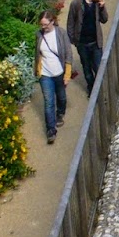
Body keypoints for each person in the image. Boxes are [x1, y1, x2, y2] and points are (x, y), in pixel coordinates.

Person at [36, 10, 74, 144]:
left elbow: (68, 54)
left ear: (52, 21)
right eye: (41, 25)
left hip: (59, 73)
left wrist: (67, 74)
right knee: (48, 101)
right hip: (45, 74)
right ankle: (51, 129)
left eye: (45, 24)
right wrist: (38, 70)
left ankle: (60, 113)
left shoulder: (61, 33)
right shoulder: (39, 35)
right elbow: (38, 54)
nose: (43, 27)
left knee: (61, 97)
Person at [67, 0, 109, 96]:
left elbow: (104, 20)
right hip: (82, 43)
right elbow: (70, 22)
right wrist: (73, 40)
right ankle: (91, 89)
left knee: (99, 68)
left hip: (95, 43)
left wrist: (102, 8)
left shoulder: (98, 4)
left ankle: (101, 91)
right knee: (87, 69)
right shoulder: (76, 4)